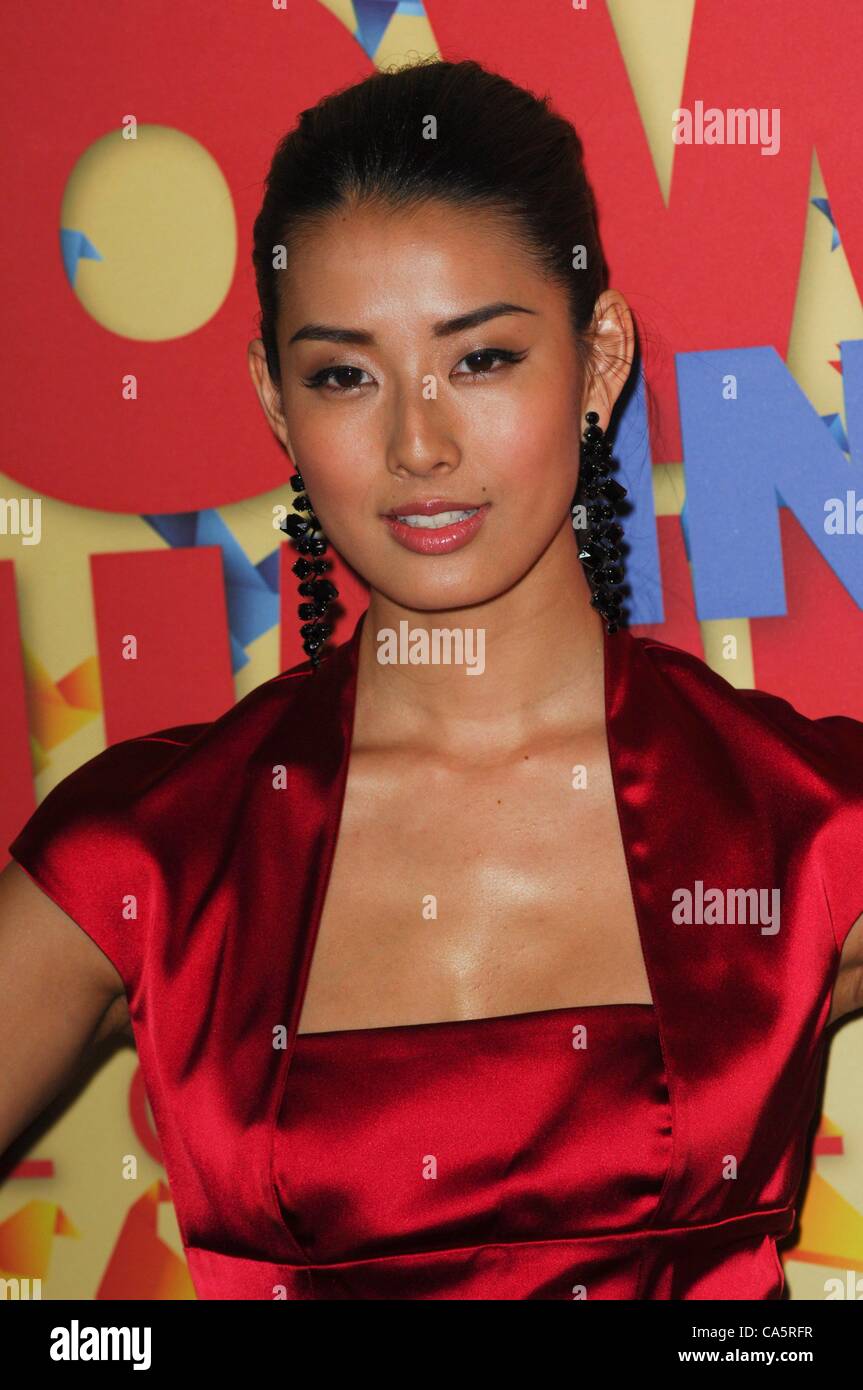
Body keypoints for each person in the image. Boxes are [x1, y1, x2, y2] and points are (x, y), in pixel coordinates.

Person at [1, 58, 861, 1302]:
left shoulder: (807, 822)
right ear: (273, 401)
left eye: (482, 359)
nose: (418, 443)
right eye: (344, 374)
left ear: (598, 354)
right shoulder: (152, 855)